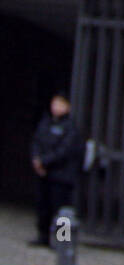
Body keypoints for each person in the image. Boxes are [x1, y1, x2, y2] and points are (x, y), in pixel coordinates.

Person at [29, 91, 84, 248]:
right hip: (45, 172)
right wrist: (37, 160)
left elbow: (65, 150)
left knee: (62, 210)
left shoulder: (71, 127)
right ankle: (43, 235)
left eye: (60, 104)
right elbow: (36, 141)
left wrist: (44, 161)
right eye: (55, 103)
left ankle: (63, 241)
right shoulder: (46, 122)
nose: (56, 107)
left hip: (61, 174)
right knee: (43, 205)